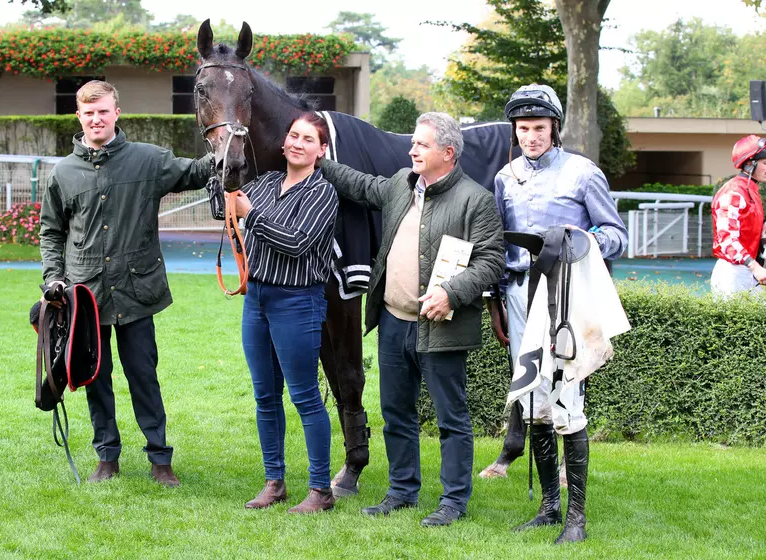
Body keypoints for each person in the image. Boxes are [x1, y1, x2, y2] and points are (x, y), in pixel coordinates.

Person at [319, 112, 505, 527]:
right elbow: (360, 185)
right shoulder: (402, 184)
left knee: (450, 419)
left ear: (448, 152)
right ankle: (402, 492)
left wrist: (451, 292)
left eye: (421, 144)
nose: (412, 149)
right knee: (396, 413)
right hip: (393, 323)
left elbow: (493, 261)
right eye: (414, 143)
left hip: (441, 327)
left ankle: (453, 502)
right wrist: (318, 159)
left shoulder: (476, 200)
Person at [39, 80, 215, 487]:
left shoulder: (149, 160)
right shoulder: (63, 172)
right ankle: (107, 457)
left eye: (103, 111)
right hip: (85, 296)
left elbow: (198, 171)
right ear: (79, 117)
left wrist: (232, 140)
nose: (96, 119)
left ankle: (160, 459)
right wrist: (53, 278)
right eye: (88, 112)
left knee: (143, 375)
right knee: (94, 378)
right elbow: (52, 231)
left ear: (117, 112)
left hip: (138, 292)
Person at [488, 84, 628, 543]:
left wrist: (581, 240)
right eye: (523, 128)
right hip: (519, 293)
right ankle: (549, 507)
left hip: (566, 292)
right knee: (534, 400)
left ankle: (577, 519)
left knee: (569, 401)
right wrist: (495, 301)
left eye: (539, 128)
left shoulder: (583, 173)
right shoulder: (505, 176)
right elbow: (498, 243)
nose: (531, 136)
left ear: (555, 129)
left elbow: (616, 235)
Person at [225, 112, 339, 514]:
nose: (296, 143)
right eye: (293, 136)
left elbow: (295, 243)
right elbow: (227, 209)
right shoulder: (268, 183)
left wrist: (250, 213)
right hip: (256, 299)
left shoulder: (323, 193)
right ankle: (274, 482)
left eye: (308, 139)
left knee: (306, 396)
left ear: (321, 150)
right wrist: (220, 180)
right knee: (265, 396)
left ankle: (321, 490)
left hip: (297, 302)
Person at [710, 135, 766, 297]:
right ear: (749, 165)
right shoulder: (734, 192)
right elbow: (727, 239)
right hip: (733, 272)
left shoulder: (751, 190)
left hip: (747, 271)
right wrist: (755, 266)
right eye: (765, 163)